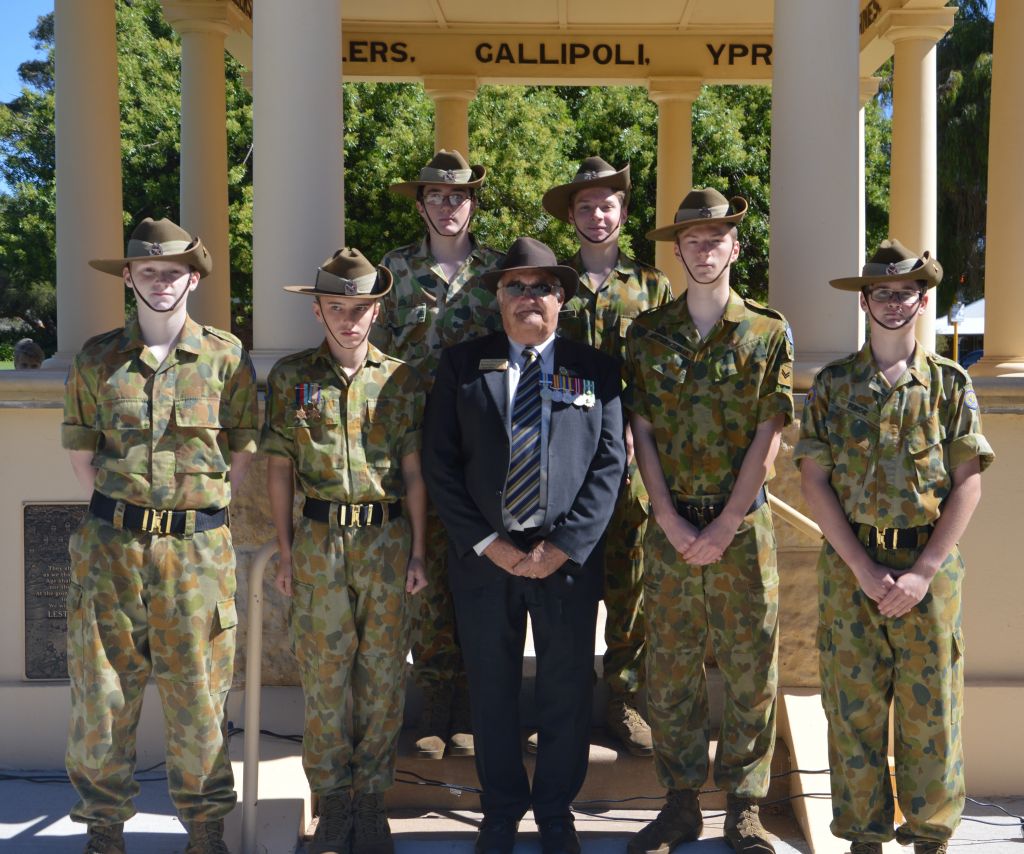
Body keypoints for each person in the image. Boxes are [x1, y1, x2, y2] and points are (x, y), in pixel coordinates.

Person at [62, 217, 259, 854]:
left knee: (199, 695)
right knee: (103, 693)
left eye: (173, 272)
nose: (161, 282)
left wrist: (188, 511)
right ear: (128, 277)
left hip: (196, 553)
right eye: (148, 271)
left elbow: (243, 451)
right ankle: (104, 832)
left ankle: (205, 831)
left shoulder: (226, 356)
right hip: (112, 548)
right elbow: (83, 457)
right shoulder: (98, 358)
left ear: (193, 278)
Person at [422, 237, 625, 854]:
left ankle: (556, 813)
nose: (528, 297)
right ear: (499, 299)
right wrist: (488, 543)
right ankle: (502, 812)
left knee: (567, 689)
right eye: (515, 286)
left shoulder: (596, 369)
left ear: (561, 298)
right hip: (487, 559)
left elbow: (609, 464)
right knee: (492, 690)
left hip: (565, 561)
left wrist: (562, 546)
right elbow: (440, 463)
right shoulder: (462, 365)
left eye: (541, 287)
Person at [794, 240, 994, 854]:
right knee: (851, 708)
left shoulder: (949, 386)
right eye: (881, 292)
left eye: (904, 292)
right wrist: (861, 568)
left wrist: (923, 573)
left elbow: (969, 483)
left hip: (927, 572)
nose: (893, 302)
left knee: (930, 711)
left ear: (923, 299)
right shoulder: (832, 385)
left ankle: (931, 835)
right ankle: (864, 836)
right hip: (852, 567)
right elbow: (813, 480)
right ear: (865, 302)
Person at [625, 189, 794, 854]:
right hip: (669, 529)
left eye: (716, 237)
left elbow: (770, 432)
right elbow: (638, 431)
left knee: (752, 667)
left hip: (741, 532)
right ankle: (680, 803)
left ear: (735, 246)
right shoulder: (647, 334)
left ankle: (746, 807)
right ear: (677, 250)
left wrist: (725, 524)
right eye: (691, 239)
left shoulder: (767, 331)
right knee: (669, 669)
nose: (703, 248)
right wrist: (665, 517)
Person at [262, 248, 428, 854]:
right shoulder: (290, 378)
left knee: (383, 676)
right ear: (318, 311)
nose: (350, 319)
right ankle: (334, 801)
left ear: (377, 310)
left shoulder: (401, 378)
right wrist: (284, 551)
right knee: (325, 679)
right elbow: (278, 470)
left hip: (386, 540)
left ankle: (372, 801)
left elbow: (414, 471)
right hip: (318, 540)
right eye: (338, 308)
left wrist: (417, 553)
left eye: (361, 308)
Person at [540, 156, 673, 756]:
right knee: (564, 585)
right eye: (587, 206)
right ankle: (560, 704)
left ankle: (623, 699)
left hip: (630, 457)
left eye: (608, 205)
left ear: (623, 213)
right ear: (572, 215)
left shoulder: (652, 287)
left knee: (630, 582)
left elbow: (663, 374)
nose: (598, 216)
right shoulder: (551, 285)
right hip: (561, 459)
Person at [375, 149, 504, 759]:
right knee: (424, 576)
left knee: (480, 575)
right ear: (421, 203)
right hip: (414, 444)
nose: (447, 207)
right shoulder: (394, 270)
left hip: (486, 449)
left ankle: (477, 705)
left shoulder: (501, 273)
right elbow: (372, 358)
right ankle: (436, 700)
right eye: (436, 197)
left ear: (473, 203)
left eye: (458, 197)